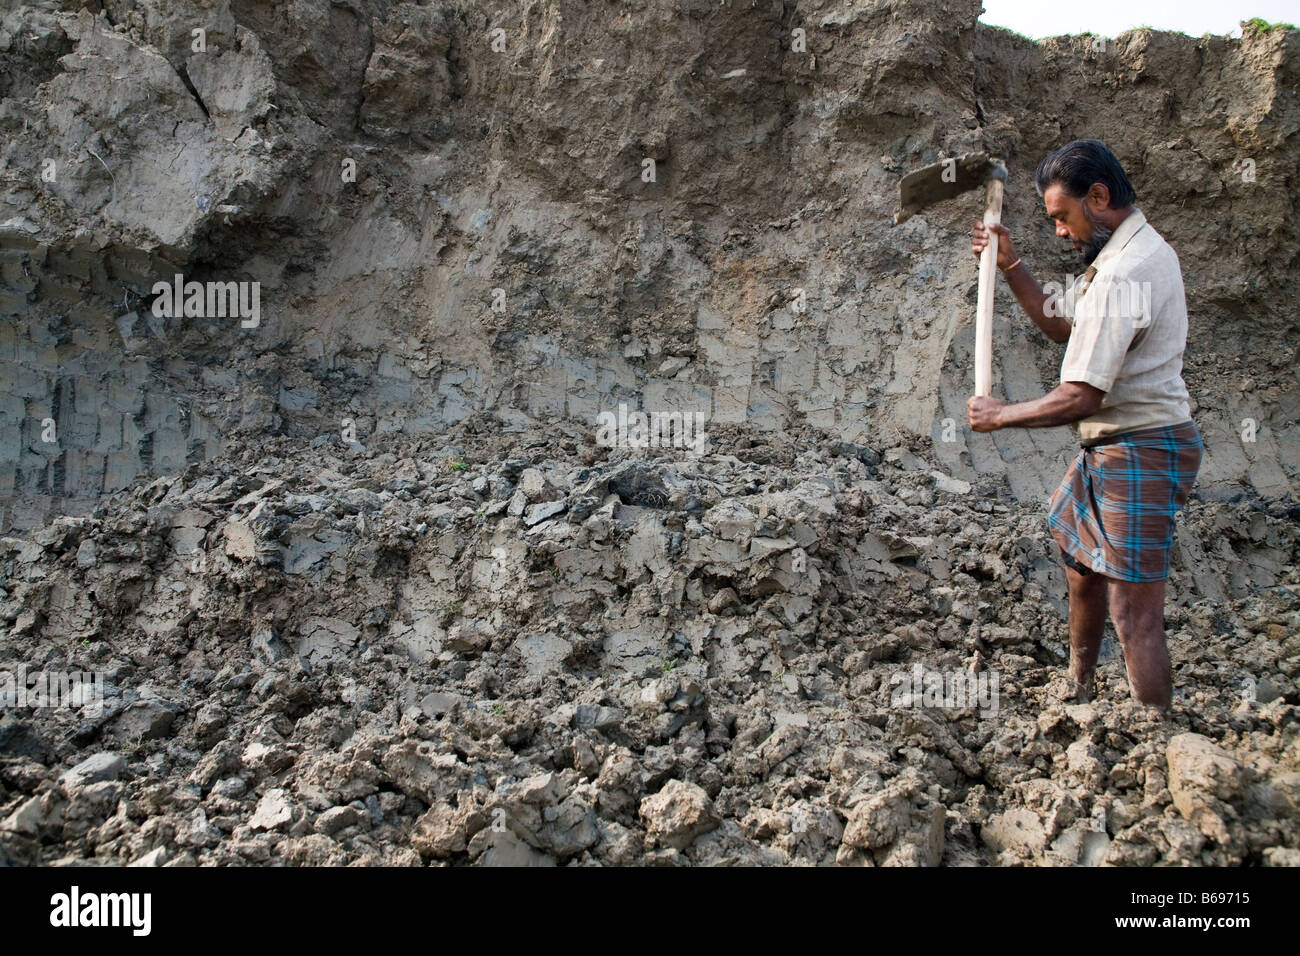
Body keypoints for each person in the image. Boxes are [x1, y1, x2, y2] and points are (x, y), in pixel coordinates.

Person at [965, 138, 1202, 711]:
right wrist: (1011, 265)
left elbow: (1081, 397)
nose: (1061, 232)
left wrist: (1000, 415)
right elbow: (1061, 324)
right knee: (1079, 564)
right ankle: (1081, 686)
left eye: (1061, 217)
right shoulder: (1125, 257)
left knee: (1134, 612)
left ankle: (1158, 737)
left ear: (1098, 197)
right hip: (1116, 446)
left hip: (1141, 447)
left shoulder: (1126, 272)